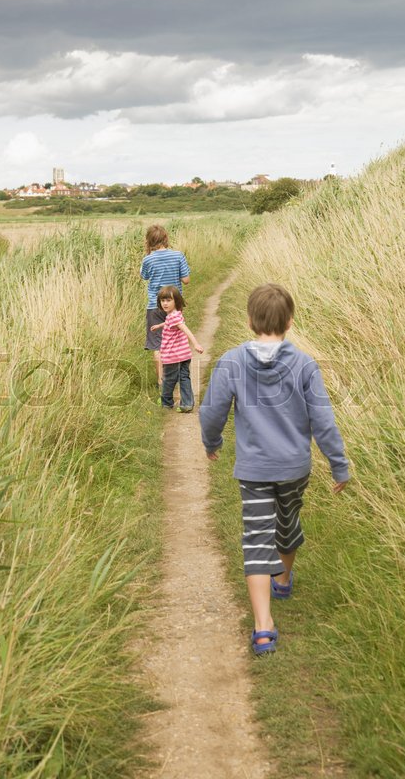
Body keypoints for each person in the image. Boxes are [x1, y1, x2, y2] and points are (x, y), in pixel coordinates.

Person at [199, 283, 350, 655]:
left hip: (254, 468)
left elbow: (212, 410)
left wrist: (212, 442)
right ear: (291, 322)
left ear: (249, 320)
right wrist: (338, 464)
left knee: (257, 536)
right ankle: (280, 581)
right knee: (286, 521)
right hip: (294, 467)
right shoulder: (304, 365)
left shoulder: (232, 361)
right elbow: (324, 421)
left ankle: (264, 625)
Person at [141, 225, 190, 386]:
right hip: (174, 305)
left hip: (154, 305)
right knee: (176, 341)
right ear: (166, 238)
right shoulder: (178, 255)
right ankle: (176, 378)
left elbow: (144, 276)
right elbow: (186, 280)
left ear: (149, 241)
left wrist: (148, 255)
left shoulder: (148, 259)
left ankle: (162, 382)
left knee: (158, 346)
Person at [151, 285, 203, 412]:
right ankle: (187, 404)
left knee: (168, 379)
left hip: (173, 356)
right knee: (184, 378)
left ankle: (166, 401)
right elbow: (171, 323)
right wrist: (159, 325)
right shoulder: (176, 315)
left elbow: (186, 330)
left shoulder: (173, 317)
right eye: (163, 300)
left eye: (169, 300)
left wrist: (196, 343)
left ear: (176, 301)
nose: (165, 303)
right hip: (184, 355)